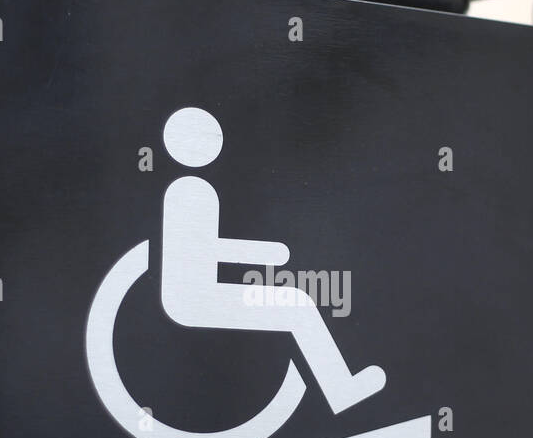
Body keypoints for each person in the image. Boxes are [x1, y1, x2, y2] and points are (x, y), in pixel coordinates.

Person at [160, 174, 385, 414]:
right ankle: (340, 389)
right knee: (297, 306)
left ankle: (340, 387)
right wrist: (269, 252)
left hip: (202, 291)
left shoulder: (195, 187)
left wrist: (267, 254)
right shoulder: (189, 189)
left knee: (298, 303)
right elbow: (199, 252)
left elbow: (206, 251)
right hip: (197, 297)